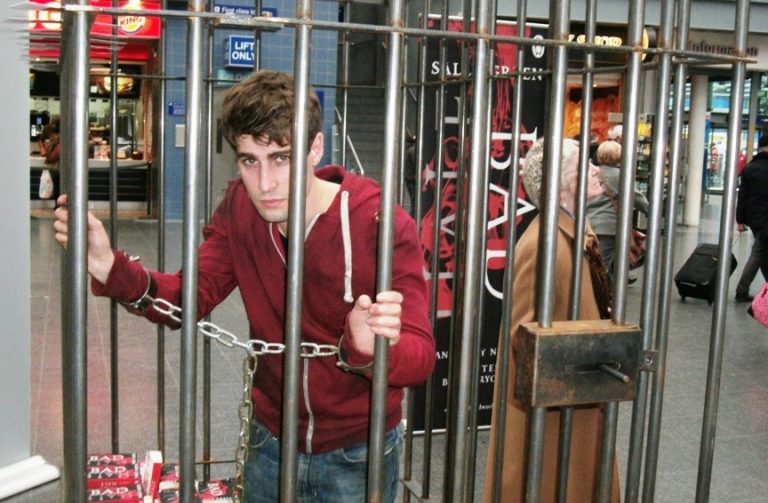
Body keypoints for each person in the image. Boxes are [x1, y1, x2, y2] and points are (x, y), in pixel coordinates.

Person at [53, 69, 436, 502]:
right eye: (249, 160)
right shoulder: (239, 206)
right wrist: (110, 267)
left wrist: (369, 348)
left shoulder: (378, 223)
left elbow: (421, 358)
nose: (265, 184)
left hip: (357, 450)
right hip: (268, 440)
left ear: (315, 148)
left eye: (281, 158)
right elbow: (188, 299)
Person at [483, 138, 620, 502]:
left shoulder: (576, 229)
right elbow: (521, 338)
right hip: (553, 416)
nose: (595, 169)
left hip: (576, 402)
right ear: (561, 182)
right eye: (584, 164)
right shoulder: (543, 244)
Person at [586, 139, 649, 285]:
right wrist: (650, 210)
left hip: (589, 224)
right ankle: (597, 299)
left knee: (595, 262)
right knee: (602, 266)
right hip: (609, 227)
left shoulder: (592, 172)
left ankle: (606, 294)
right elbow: (636, 197)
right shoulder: (620, 175)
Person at [735, 133, 768, 302]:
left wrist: (740, 220)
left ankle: (743, 289)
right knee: (758, 254)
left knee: (761, 253)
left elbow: (743, 197)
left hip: (754, 219)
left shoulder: (749, 167)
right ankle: (742, 290)